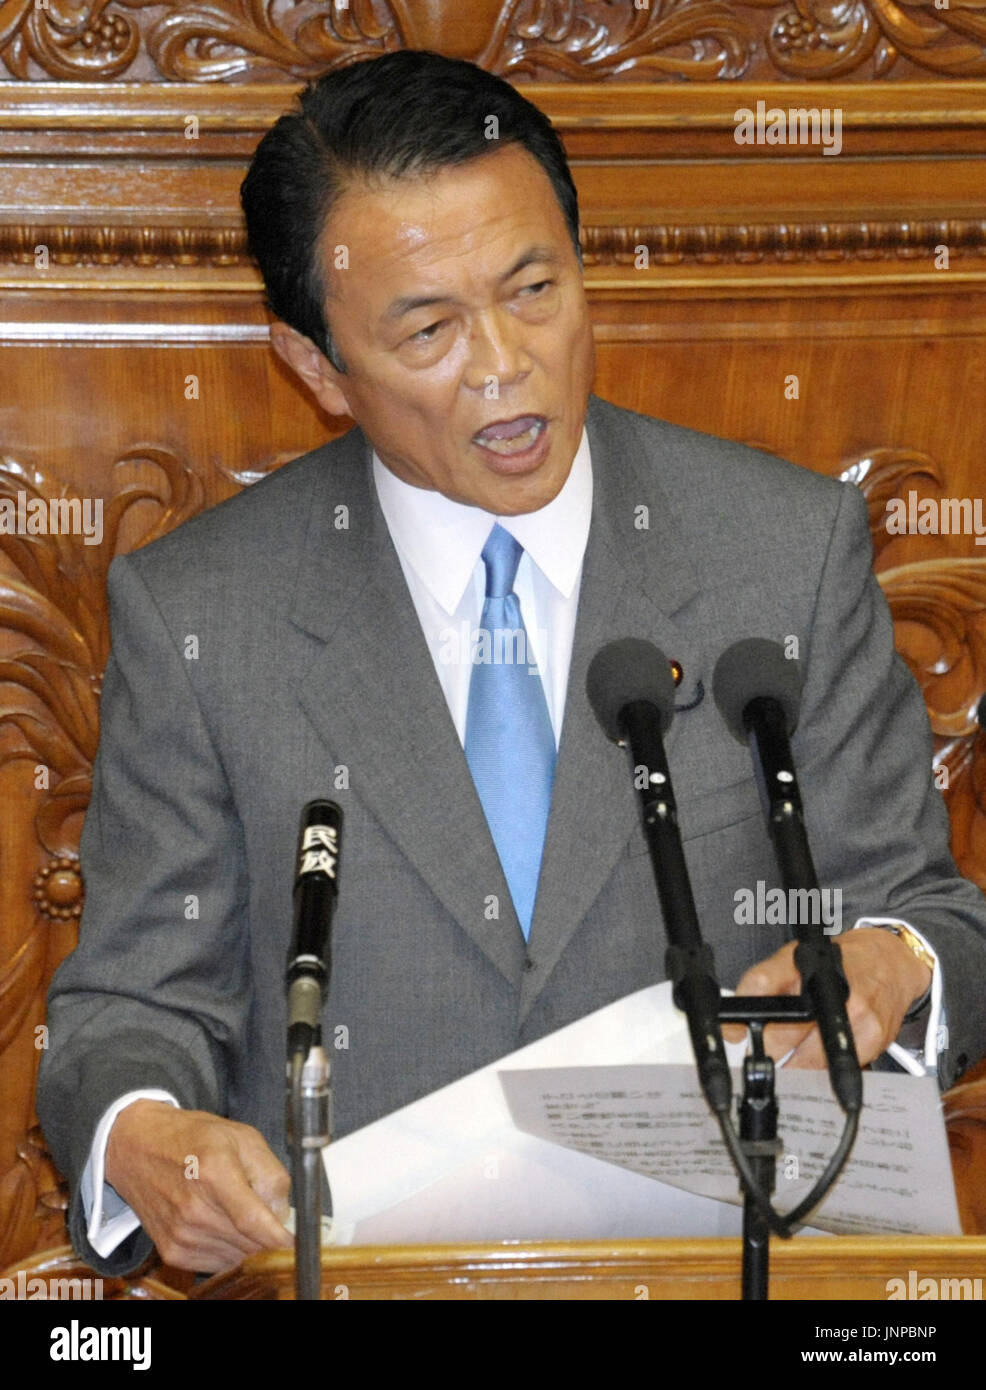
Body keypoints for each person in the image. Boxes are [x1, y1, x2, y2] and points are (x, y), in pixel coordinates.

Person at [37, 50, 986, 1278]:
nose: (501, 362)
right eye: (428, 327)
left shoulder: (779, 552)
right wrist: (146, 1135)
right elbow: (134, 1003)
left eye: (532, 288)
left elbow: (926, 916)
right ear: (315, 366)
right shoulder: (203, 610)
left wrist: (887, 966)